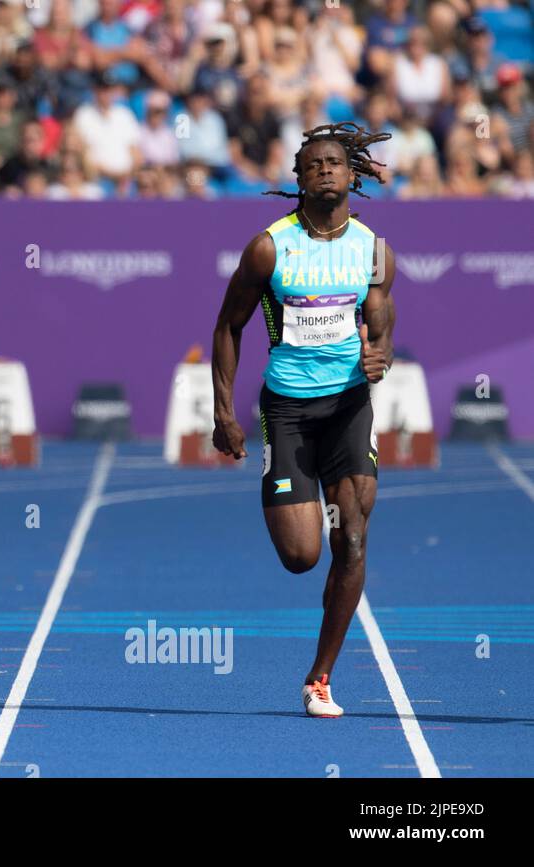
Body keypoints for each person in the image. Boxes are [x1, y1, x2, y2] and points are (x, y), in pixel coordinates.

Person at [211, 123, 397, 718]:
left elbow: (382, 318)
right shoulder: (269, 247)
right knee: (301, 557)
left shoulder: (372, 248)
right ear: (297, 178)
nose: (324, 169)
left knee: (354, 538)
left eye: (334, 162)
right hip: (288, 410)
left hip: (347, 408)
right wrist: (223, 411)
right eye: (312, 163)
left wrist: (381, 353)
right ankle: (295, 492)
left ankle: (320, 677)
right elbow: (227, 326)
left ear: (351, 176)